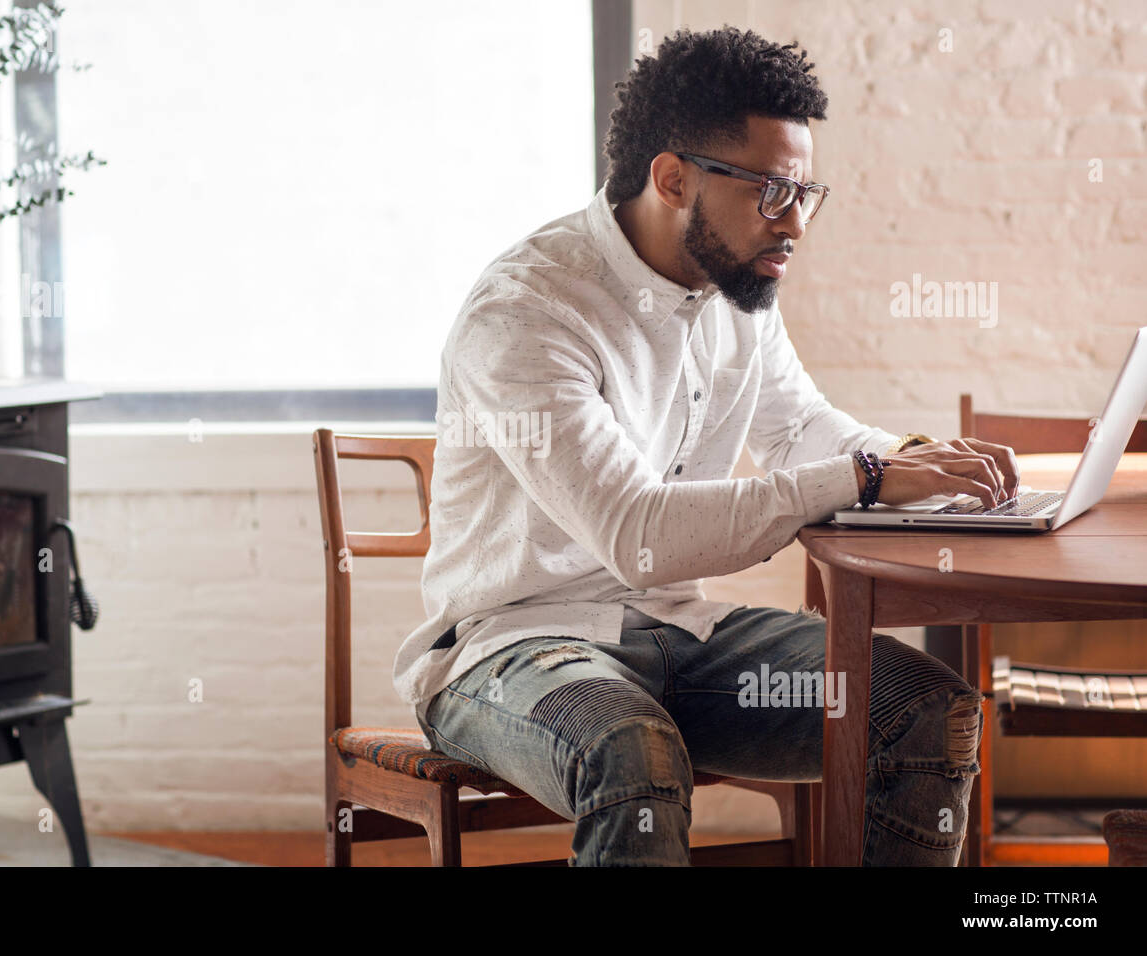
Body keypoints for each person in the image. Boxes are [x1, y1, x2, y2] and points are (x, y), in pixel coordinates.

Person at [393, 26, 1017, 866]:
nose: (795, 223)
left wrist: (930, 467)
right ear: (673, 177)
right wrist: (866, 478)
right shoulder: (528, 310)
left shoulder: (737, 294)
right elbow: (638, 533)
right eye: (771, 193)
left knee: (921, 710)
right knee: (630, 751)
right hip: (511, 651)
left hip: (681, 636)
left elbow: (801, 431)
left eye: (806, 193)